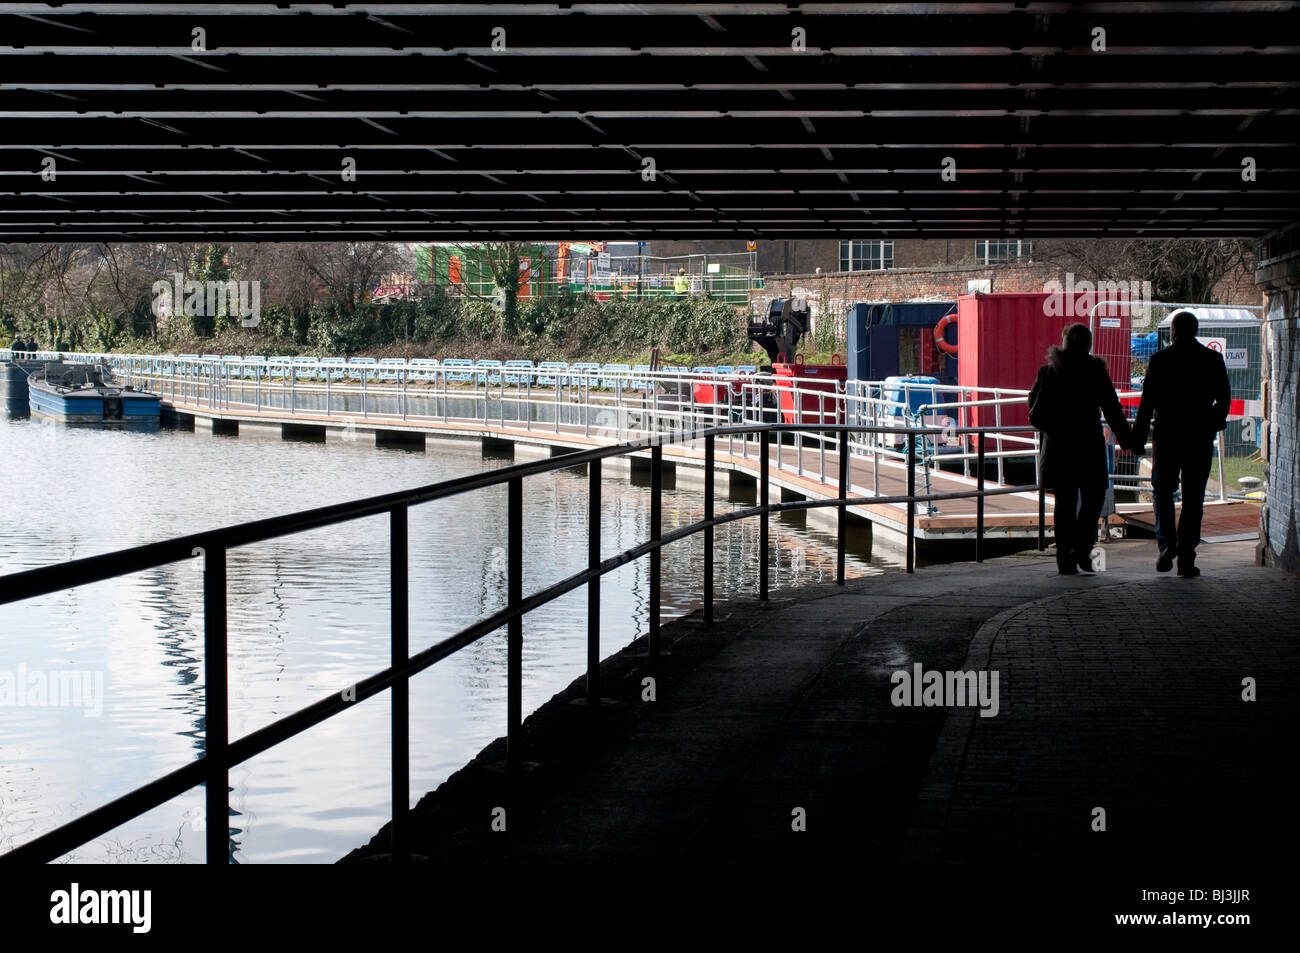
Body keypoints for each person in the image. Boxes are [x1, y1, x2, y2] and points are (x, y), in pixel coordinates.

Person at [1129, 309, 1232, 577]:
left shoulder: (1160, 360)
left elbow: (1146, 404)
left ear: (1173, 332)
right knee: (1193, 497)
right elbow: (1224, 399)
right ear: (1196, 331)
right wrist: (1213, 421)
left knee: (1162, 492)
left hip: (1168, 435)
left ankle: (1166, 545)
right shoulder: (1212, 359)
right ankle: (1187, 557)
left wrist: (1138, 439)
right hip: (1199, 436)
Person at [1028, 322, 1133, 575]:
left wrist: (1058, 429)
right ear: (1088, 345)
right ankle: (1083, 549)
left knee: (1064, 504)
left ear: (1064, 343)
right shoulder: (1095, 372)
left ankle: (1065, 559)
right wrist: (1128, 440)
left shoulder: (1048, 373)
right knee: (1093, 499)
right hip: (1089, 448)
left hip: (1059, 450)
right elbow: (1112, 409)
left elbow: (1035, 414)